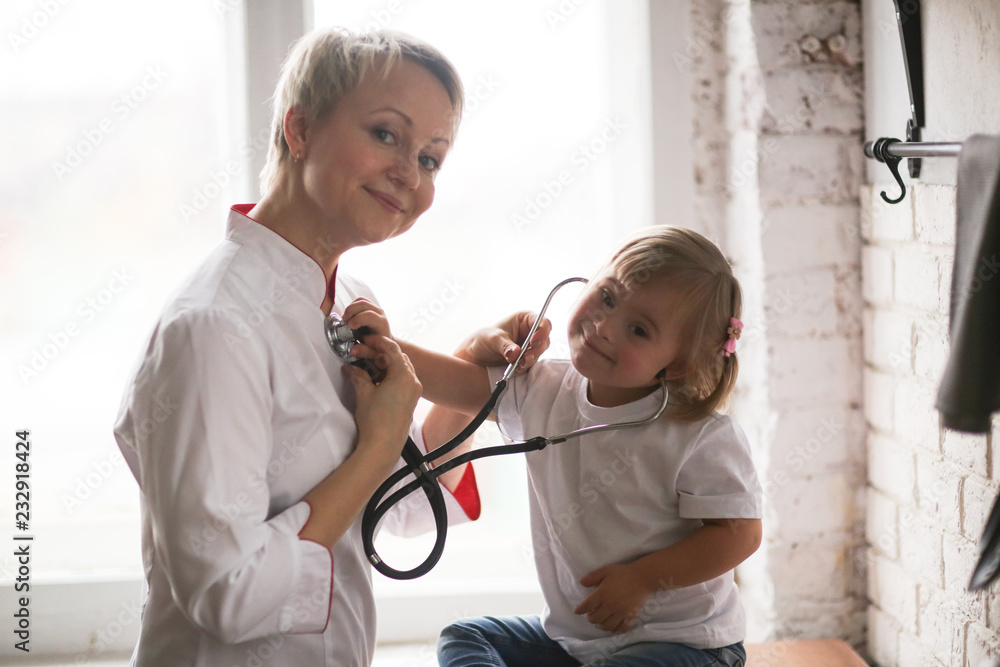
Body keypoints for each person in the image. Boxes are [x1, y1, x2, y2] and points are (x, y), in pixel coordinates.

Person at [112, 28, 547, 666]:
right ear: (300, 129)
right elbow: (225, 593)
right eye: (386, 134)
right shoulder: (211, 329)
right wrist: (377, 443)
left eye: (430, 158)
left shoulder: (347, 302)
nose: (409, 173)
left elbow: (390, 514)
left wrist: (446, 398)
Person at [370, 226, 763, 666]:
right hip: (575, 642)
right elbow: (444, 381)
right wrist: (374, 344)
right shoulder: (543, 388)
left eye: (637, 330)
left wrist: (643, 580)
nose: (605, 327)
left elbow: (739, 534)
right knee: (466, 638)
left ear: (677, 365)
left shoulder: (701, 436)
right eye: (608, 298)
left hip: (684, 645)